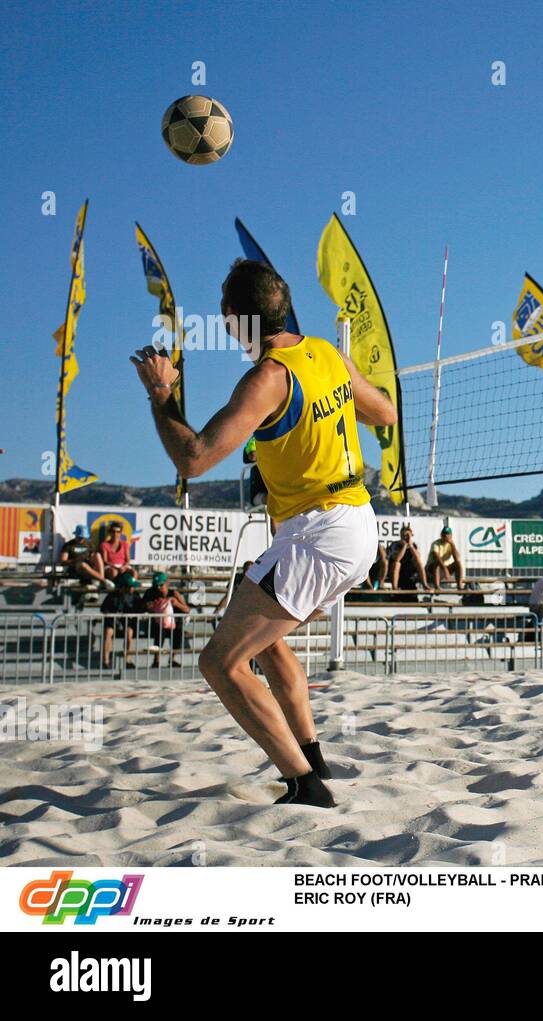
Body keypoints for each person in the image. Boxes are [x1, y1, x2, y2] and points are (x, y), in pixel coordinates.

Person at [131, 258, 396, 807]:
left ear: (234, 319)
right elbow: (385, 414)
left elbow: (193, 459)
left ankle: (305, 786)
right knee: (265, 641)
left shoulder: (267, 378)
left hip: (319, 532)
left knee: (219, 663)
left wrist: (162, 394)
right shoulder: (324, 353)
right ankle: (313, 758)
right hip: (355, 521)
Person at [142, 571, 189, 668]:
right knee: (159, 632)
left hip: (174, 623)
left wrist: (177, 604)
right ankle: (156, 660)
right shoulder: (150, 593)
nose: (158, 588)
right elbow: (143, 606)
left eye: (161, 585)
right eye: (156, 586)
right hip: (158, 623)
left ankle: (172, 659)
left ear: (167, 583)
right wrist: (151, 607)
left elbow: (187, 609)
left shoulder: (174, 594)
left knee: (178, 633)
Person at [100, 573, 144, 669]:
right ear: (124, 587)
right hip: (113, 619)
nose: (132, 589)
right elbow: (104, 609)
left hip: (127, 620)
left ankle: (127, 660)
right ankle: (106, 661)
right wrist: (113, 615)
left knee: (129, 633)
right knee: (108, 632)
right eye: (130, 587)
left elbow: (140, 608)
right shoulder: (112, 595)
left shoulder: (135, 595)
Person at [387, 525, 428, 598]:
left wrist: (410, 545)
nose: (405, 537)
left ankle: (425, 584)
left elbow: (418, 557)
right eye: (403, 535)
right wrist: (405, 546)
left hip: (409, 571)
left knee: (418, 562)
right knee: (397, 564)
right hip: (396, 571)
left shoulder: (414, 545)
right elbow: (397, 559)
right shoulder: (395, 544)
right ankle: (394, 588)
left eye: (407, 535)